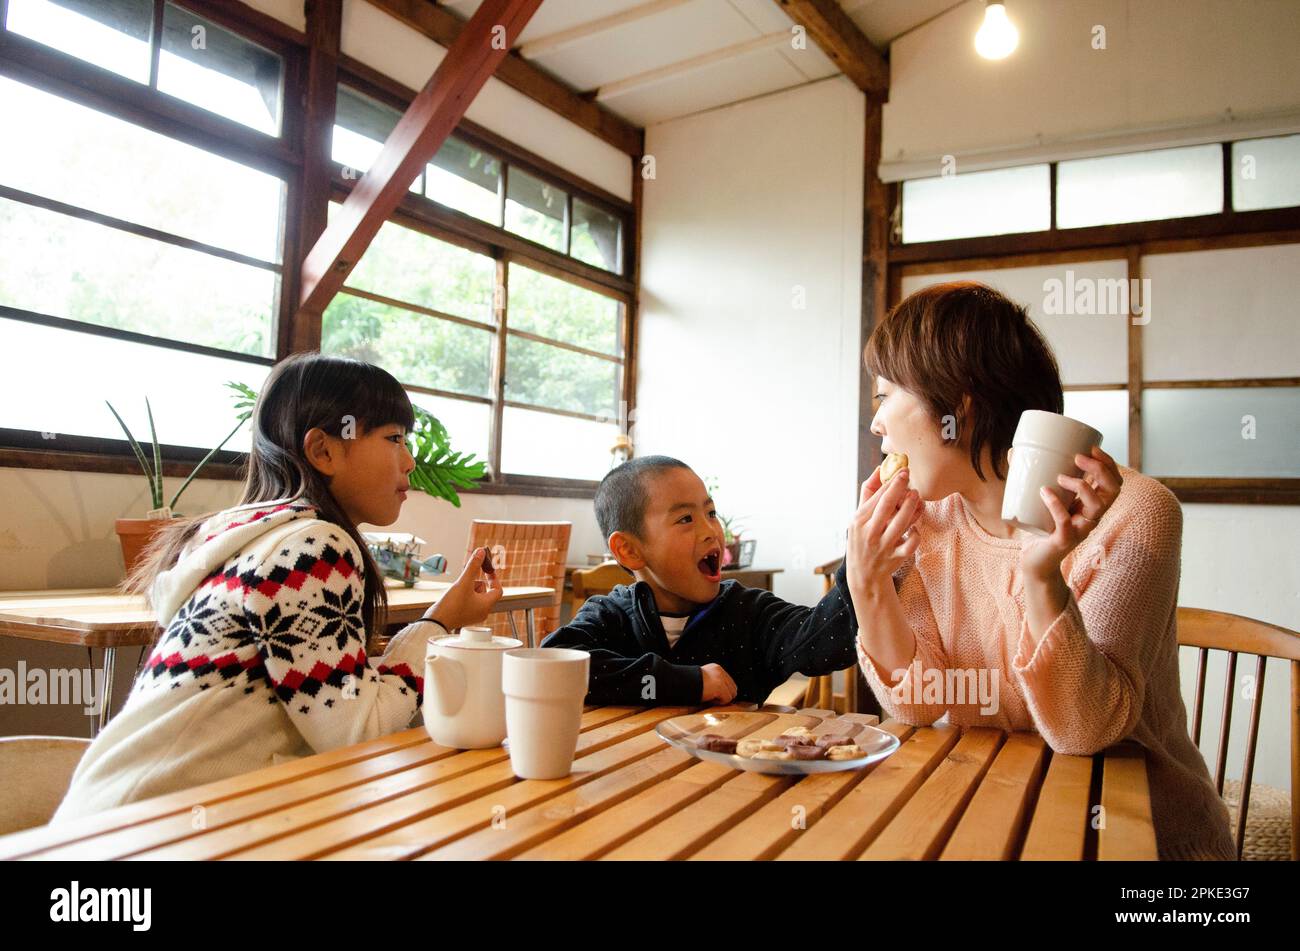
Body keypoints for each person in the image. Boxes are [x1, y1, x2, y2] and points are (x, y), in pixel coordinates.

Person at [847, 280, 1235, 860]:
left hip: (1135, 836)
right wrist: (868, 582)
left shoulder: (1135, 512)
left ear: (960, 406)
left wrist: (1039, 574)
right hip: (982, 809)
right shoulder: (928, 519)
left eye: (884, 397)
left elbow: (1083, 729)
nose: (876, 424)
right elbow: (919, 704)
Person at [54, 353, 499, 820]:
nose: (409, 461)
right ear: (323, 451)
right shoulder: (311, 549)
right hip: (140, 834)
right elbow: (357, 731)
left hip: (132, 817)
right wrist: (439, 624)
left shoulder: (255, 539)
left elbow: (335, 701)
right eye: (393, 439)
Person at [541, 456, 860, 706]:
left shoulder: (749, 613)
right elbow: (552, 669)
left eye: (710, 512)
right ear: (630, 550)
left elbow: (829, 641)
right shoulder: (610, 616)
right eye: (685, 519)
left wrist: (864, 567)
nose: (711, 530)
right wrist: (687, 683)